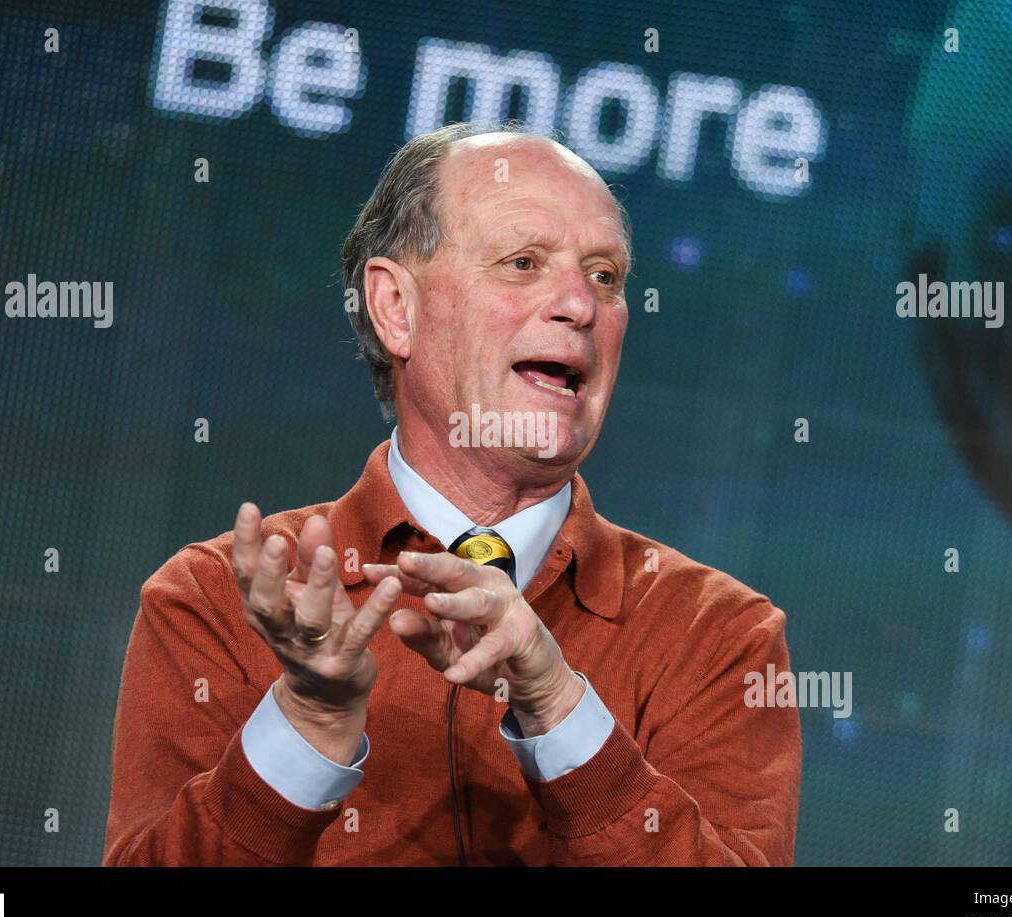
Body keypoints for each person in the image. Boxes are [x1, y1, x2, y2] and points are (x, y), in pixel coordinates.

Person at [102, 121, 801, 866]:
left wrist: (558, 705)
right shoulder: (213, 604)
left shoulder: (720, 638)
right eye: (522, 262)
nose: (580, 306)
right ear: (395, 308)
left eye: (605, 276)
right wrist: (306, 720)